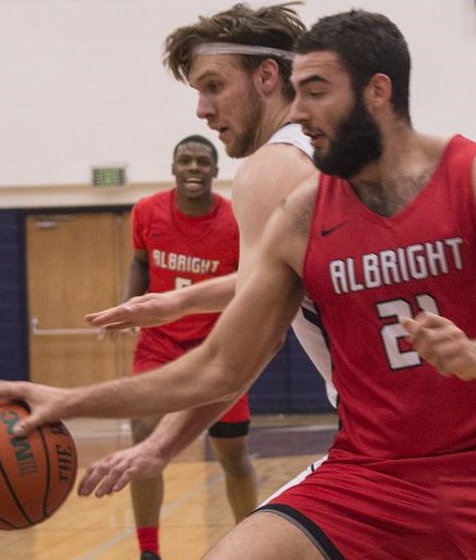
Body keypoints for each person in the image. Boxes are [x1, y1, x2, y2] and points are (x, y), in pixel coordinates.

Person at [0, 9, 476, 558]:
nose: (297, 112)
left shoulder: (459, 174)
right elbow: (231, 352)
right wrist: (80, 395)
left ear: (373, 90)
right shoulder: (305, 209)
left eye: (313, 93)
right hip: (374, 470)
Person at [78, 3, 337, 516]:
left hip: (397, 441)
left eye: (213, 86)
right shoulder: (329, 150)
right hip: (443, 422)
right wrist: (180, 302)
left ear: (267, 76)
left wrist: (148, 442)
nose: (200, 108)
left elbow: (236, 356)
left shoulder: (271, 169)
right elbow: (289, 275)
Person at [118, 134, 256, 560]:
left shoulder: (237, 221)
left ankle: (252, 543)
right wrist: (129, 304)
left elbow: (249, 286)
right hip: (159, 346)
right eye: (186, 161)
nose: (194, 168)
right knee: (143, 436)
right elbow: (141, 261)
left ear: (215, 171)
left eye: (202, 162)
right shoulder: (146, 212)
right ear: (174, 168)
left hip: (217, 348)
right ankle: (149, 552)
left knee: (232, 455)